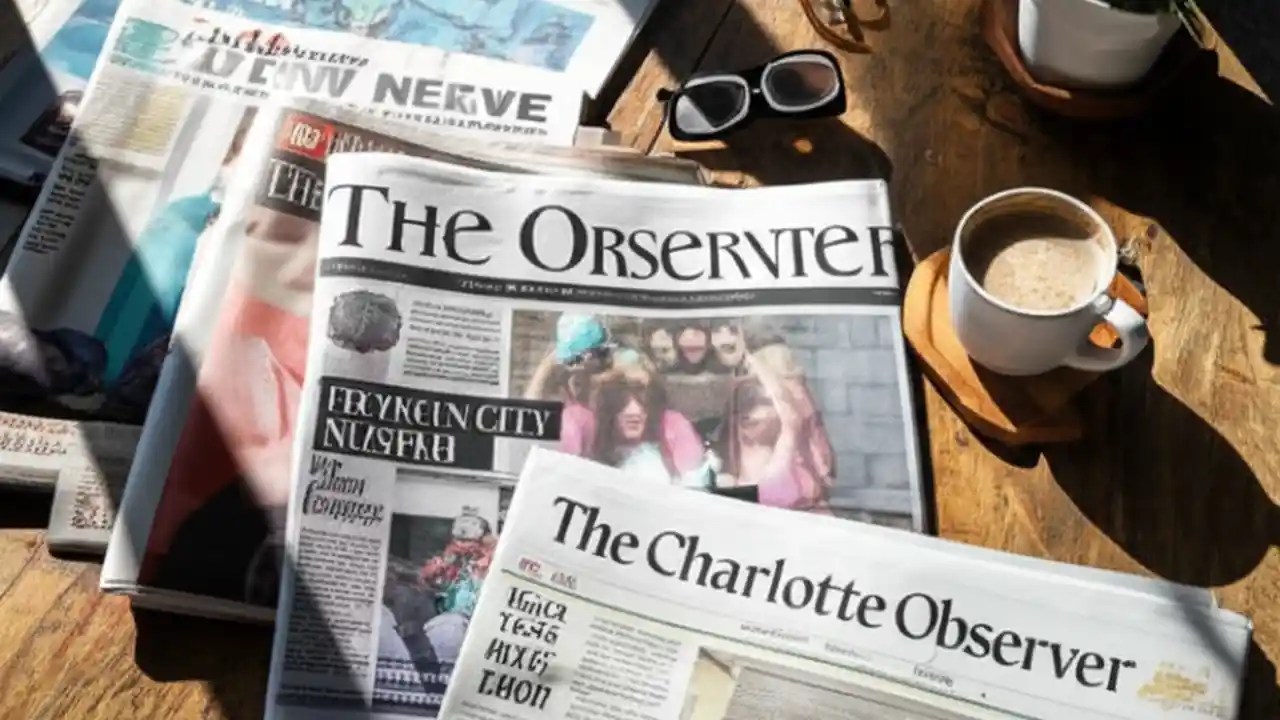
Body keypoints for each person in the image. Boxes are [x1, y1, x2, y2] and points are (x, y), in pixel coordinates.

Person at [716, 343, 835, 512]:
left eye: (763, 401)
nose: (750, 413)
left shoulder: (792, 428)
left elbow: (789, 415)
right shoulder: (744, 437)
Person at [587, 365, 709, 487]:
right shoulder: (595, 434)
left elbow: (694, 482)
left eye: (642, 402)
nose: (634, 412)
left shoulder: (672, 427)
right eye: (622, 402)